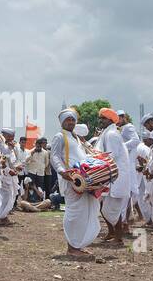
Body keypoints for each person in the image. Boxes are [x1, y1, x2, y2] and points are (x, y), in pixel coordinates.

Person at [51, 107, 100, 257]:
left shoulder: (76, 137)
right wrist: (62, 171)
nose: (71, 122)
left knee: (83, 213)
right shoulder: (60, 136)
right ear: (62, 122)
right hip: (71, 180)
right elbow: (54, 157)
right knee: (74, 213)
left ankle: (78, 245)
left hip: (83, 180)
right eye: (68, 119)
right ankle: (72, 248)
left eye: (73, 119)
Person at [96, 108, 133, 242]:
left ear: (110, 120)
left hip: (115, 177)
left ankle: (118, 237)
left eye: (103, 118)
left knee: (111, 209)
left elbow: (111, 155)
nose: (101, 121)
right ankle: (112, 233)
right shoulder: (107, 133)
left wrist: (95, 160)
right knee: (103, 207)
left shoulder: (111, 134)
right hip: (110, 176)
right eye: (100, 118)